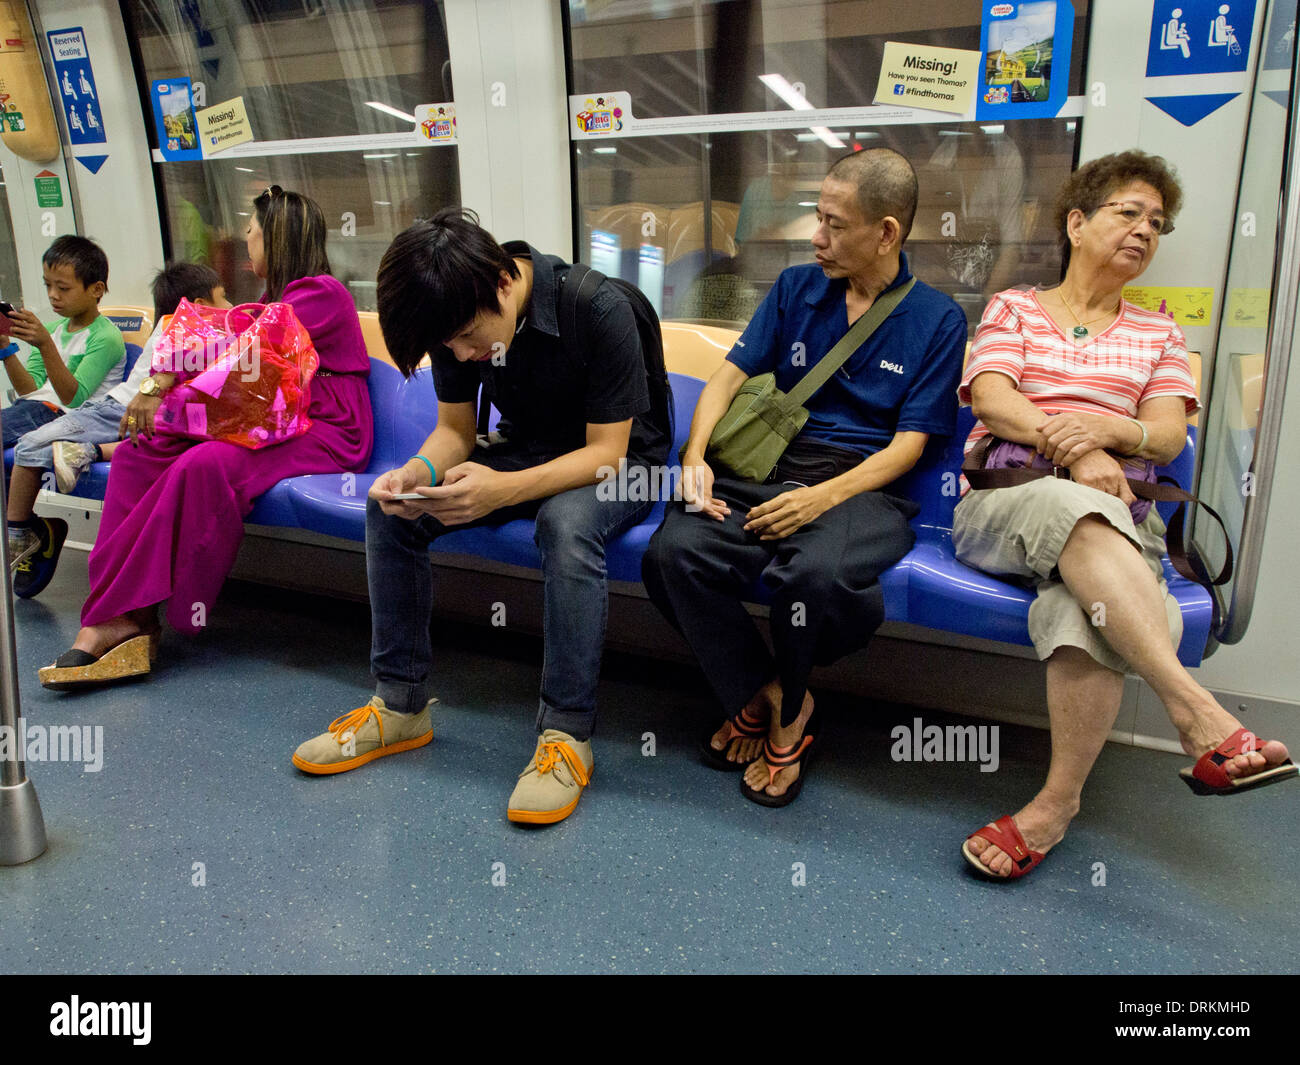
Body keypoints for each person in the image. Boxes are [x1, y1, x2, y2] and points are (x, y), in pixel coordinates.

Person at [953, 150, 1296, 880]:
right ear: (1077, 223)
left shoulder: (1161, 332)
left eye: (1158, 223)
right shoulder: (1014, 307)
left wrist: (1107, 433)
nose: (1145, 231)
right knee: (1077, 505)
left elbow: (1166, 433)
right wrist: (1075, 449)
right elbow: (992, 400)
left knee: (1087, 612)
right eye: (1128, 213)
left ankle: (1054, 806)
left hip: (1115, 515)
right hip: (1002, 502)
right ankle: (1197, 714)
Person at [291, 207, 671, 827]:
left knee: (566, 525)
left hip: (625, 463)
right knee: (392, 511)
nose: (465, 354)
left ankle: (567, 736)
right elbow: (455, 432)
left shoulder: (599, 309)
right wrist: (419, 472)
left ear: (502, 281)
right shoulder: (454, 316)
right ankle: (401, 705)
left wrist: (501, 490)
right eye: (451, 347)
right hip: (527, 447)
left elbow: (608, 453)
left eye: (469, 337)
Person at [642, 149, 967, 807]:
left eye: (834, 224)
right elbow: (729, 376)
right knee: (672, 553)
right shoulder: (797, 289)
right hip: (768, 468)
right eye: (816, 219)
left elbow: (908, 447)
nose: (816, 238)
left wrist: (821, 497)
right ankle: (763, 689)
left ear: (886, 234)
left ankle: (788, 716)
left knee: (812, 577)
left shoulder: (938, 321)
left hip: (860, 487)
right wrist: (696, 456)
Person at [38, 186, 373, 689]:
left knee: (204, 465)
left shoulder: (322, 292)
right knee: (136, 453)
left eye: (252, 233)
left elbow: (239, 344)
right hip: (276, 419)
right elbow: (236, 354)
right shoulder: (272, 299)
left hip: (327, 428)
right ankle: (115, 608)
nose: (246, 243)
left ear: (277, 238)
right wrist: (165, 398)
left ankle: (132, 614)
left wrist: (162, 381)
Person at [7, 262, 228, 599]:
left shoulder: (189, 331)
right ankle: (21, 532)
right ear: (199, 305)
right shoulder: (184, 330)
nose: (229, 307)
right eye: (223, 298)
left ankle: (81, 457)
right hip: (113, 412)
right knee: (28, 446)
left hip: (147, 419)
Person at [1, 235, 124, 455]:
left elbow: (74, 399)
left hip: (66, 416)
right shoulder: (51, 329)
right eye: (48, 285)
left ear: (96, 289)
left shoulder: (106, 337)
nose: (52, 295)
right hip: (32, 409)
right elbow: (29, 390)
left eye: (63, 288)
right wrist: (6, 349)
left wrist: (46, 345)